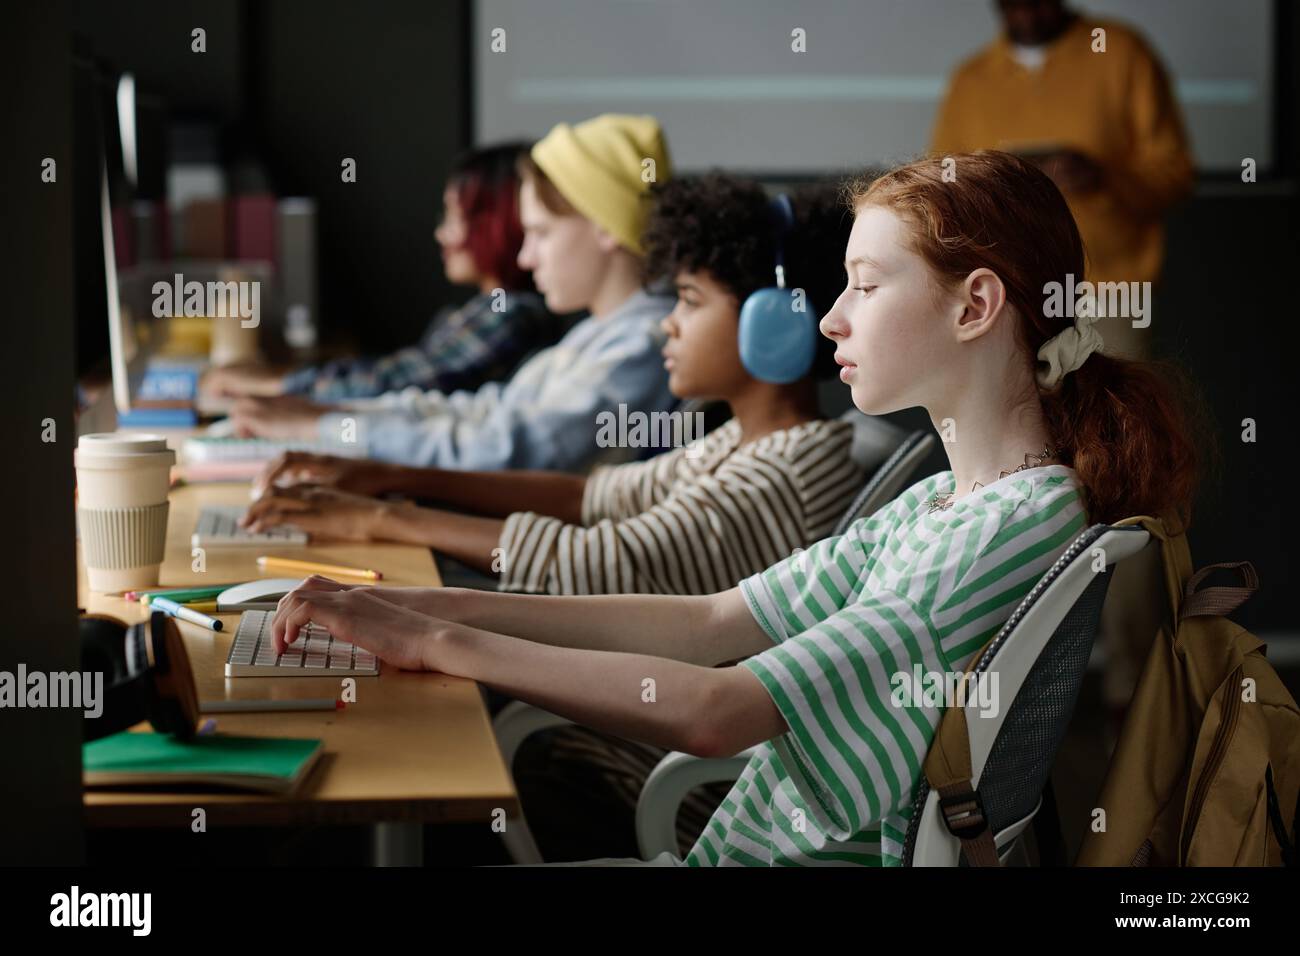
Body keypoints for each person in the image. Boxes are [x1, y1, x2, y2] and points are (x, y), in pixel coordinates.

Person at [264, 151, 1202, 866]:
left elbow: (717, 709)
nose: (831, 317)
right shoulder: (947, 501)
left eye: (865, 287)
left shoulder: (998, 528)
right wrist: (427, 611)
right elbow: (711, 621)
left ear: (975, 307)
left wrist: (437, 644)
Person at [241, 174, 864, 599]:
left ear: (775, 326)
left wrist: (381, 518)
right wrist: (393, 479)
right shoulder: (750, 441)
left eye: (691, 301)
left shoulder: (783, 474)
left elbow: (595, 560)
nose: (669, 323)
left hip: (620, 757)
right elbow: (590, 498)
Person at [226, 114, 678, 473]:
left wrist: (326, 425)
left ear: (606, 227)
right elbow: (484, 411)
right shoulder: (596, 335)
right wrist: (334, 413)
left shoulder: (639, 346)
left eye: (540, 232)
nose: (525, 257)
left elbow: (507, 450)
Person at [931, 0, 1193, 360]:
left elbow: (1174, 172)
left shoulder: (1121, 52)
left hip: (1111, 291)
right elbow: (946, 187)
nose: (1025, 11)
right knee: (1022, 415)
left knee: (1120, 412)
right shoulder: (970, 80)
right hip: (1007, 290)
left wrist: (1103, 177)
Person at [203, 143, 557, 401]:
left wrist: (273, 383)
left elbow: (398, 381)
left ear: (493, 226)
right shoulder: (487, 310)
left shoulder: (512, 315)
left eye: (452, 217)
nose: (441, 234)